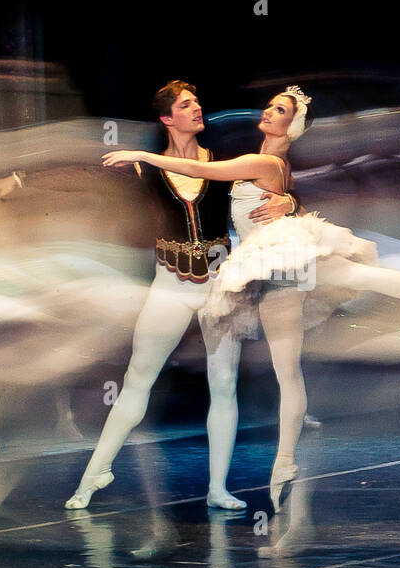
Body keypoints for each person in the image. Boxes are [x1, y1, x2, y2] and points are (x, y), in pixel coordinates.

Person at [101, 86, 400, 510]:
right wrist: (289, 200)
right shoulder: (275, 166)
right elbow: (266, 192)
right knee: (292, 363)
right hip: (270, 263)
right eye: (269, 105)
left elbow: (200, 170)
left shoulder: (261, 160)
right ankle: (284, 462)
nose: (267, 111)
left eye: (278, 109)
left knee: (350, 287)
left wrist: (144, 156)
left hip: (276, 256)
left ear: (290, 126)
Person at [64, 80, 288, 510]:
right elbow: (83, 182)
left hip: (220, 288)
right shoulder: (141, 168)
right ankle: (94, 475)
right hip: (169, 287)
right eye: (187, 105)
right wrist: (18, 182)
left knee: (223, 385)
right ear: (167, 118)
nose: (197, 109)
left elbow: (277, 184)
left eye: (199, 102)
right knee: (137, 380)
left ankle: (218, 488)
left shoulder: (221, 164)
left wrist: (289, 204)